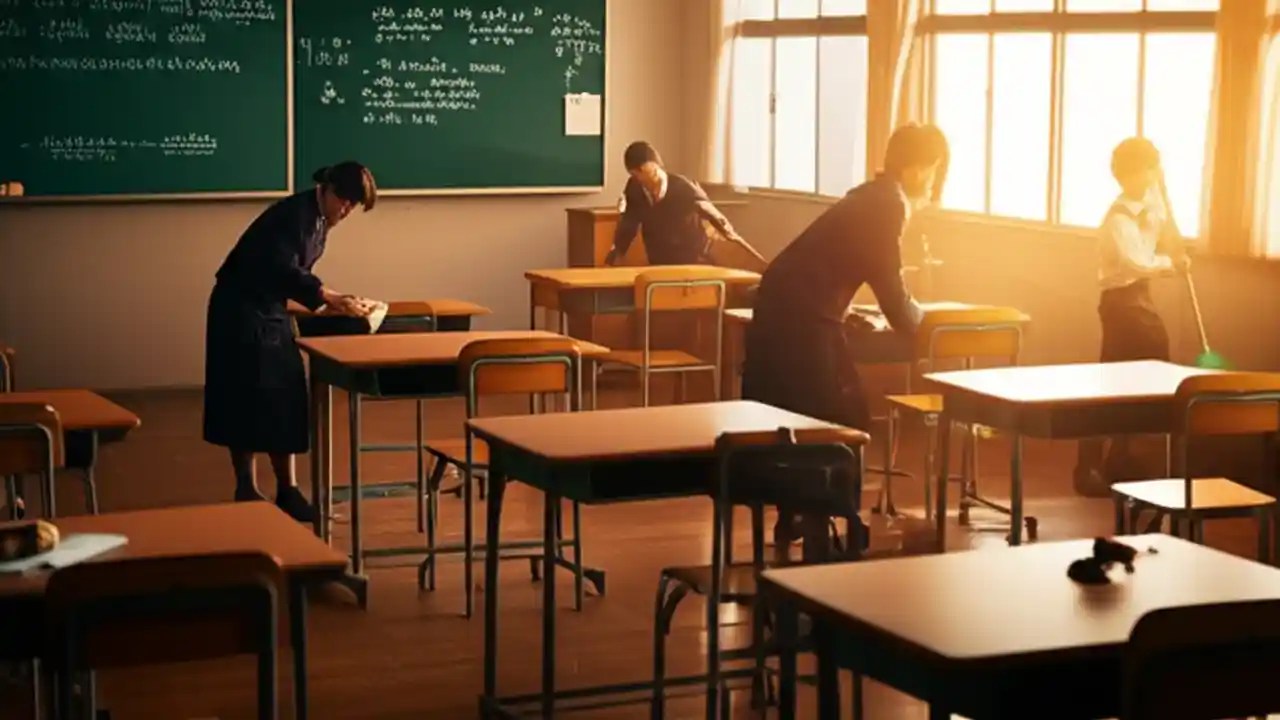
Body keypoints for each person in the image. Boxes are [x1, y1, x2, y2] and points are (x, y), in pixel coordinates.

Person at [742, 123, 949, 551]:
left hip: (788, 308)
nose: (933, 180)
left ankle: (798, 515)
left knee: (797, 415)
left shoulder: (871, 195)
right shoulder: (888, 205)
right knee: (843, 416)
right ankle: (828, 522)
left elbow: (842, 262)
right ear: (915, 169)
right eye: (933, 169)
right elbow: (893, 291)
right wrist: (927, 328)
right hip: (801, 317)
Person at [203, 161, 377, 522]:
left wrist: (330, 302)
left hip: (269, 308)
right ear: (326, 189)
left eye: (352, 206)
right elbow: (284, 269)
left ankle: (287, 489)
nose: (345, 210)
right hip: (240, 309)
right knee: (243, 395)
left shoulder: (318, 219)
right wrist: (327, 296)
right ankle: (246, 487)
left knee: (286, 395)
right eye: (343, 200)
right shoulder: (294, 214)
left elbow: (295, 277)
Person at [1073, 137, 1188, 497]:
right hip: (1121, 304)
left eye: (1152, 170)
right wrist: (1172, 264)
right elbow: (1136, 261)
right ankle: (1089, 467)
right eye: (1143, 170)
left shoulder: (1152, 199)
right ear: (1126, 175)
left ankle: (1122, 461)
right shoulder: (1117, 219)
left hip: (1142, 299)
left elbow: (1164, 222)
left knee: (1143, 379)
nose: (1149, 177)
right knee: (1114, 385)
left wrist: (1174, 241)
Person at [605, 141, 765, 269]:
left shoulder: (684, 187)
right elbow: (629, 223)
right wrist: (617, 251)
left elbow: (716, 218)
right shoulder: (634, 188)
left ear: (655, 166)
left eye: (642, 172)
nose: (640, 179)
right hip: (658, 262)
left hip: (691, 260)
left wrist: (750, 255)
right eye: (634, 174)